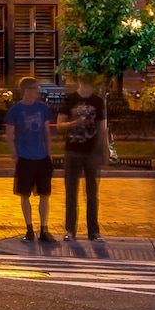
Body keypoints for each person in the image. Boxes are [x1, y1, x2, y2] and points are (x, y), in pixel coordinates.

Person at [58, 80, 111, 251]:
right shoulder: (70, 99)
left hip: (91, 152)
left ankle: (93, 231)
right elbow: (60, 125)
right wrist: (74, 124)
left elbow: (102, 127)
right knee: (71, 192)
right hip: (73, 150)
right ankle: (70, 229)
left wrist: (103, 151)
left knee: (92, 193)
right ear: (80, 81)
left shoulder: (98, 101)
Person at [5, 78, 58, 246]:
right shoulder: (16, 110)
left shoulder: (42, 108)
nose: (37, 91)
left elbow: (46, 132)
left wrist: (49, 153)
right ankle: (29, 228)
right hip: (24, 156)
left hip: (41, 156)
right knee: (24, 194)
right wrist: (15, 154)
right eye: (34, 88)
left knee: (44, 194)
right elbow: (9, 134)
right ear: (26, 90)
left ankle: (44, 228)